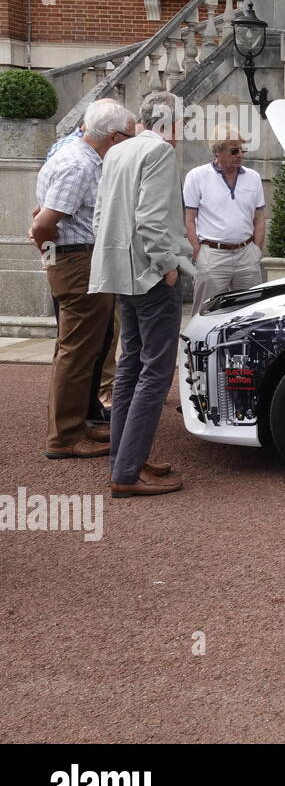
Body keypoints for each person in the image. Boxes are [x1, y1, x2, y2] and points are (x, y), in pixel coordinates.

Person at [89, 99, 192, 497]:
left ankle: (125, 461)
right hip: (149, 276)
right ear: (171, 122)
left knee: (130, 367)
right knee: (155, 372)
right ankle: (128, 471)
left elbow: (100, 214)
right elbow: (151, 218)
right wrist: (167, 264)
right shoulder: (158, 151)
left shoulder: (118, 150)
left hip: (119, 273)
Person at [31, 99, 132, 460]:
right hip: (78, 261)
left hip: (80, 259)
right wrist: (51, 257)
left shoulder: (85, 158)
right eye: (129, 135)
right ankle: (64, 437)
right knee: (76, 351)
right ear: (114, 135)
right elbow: (43, 223)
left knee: (83, 348)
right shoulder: (77, 164)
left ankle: (74, 425)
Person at [184, 125, 265, 318]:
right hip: (212, 254)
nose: (240, 155)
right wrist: (198, 251)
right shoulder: (197, 176)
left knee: (250, 312)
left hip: (246, 254)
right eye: (234, 150)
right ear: (218, 152)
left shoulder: (253, 178)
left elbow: (260, 220)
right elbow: (189, 219)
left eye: (242, 149)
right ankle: (199, 348)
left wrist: (257, 252)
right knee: (205, 313)